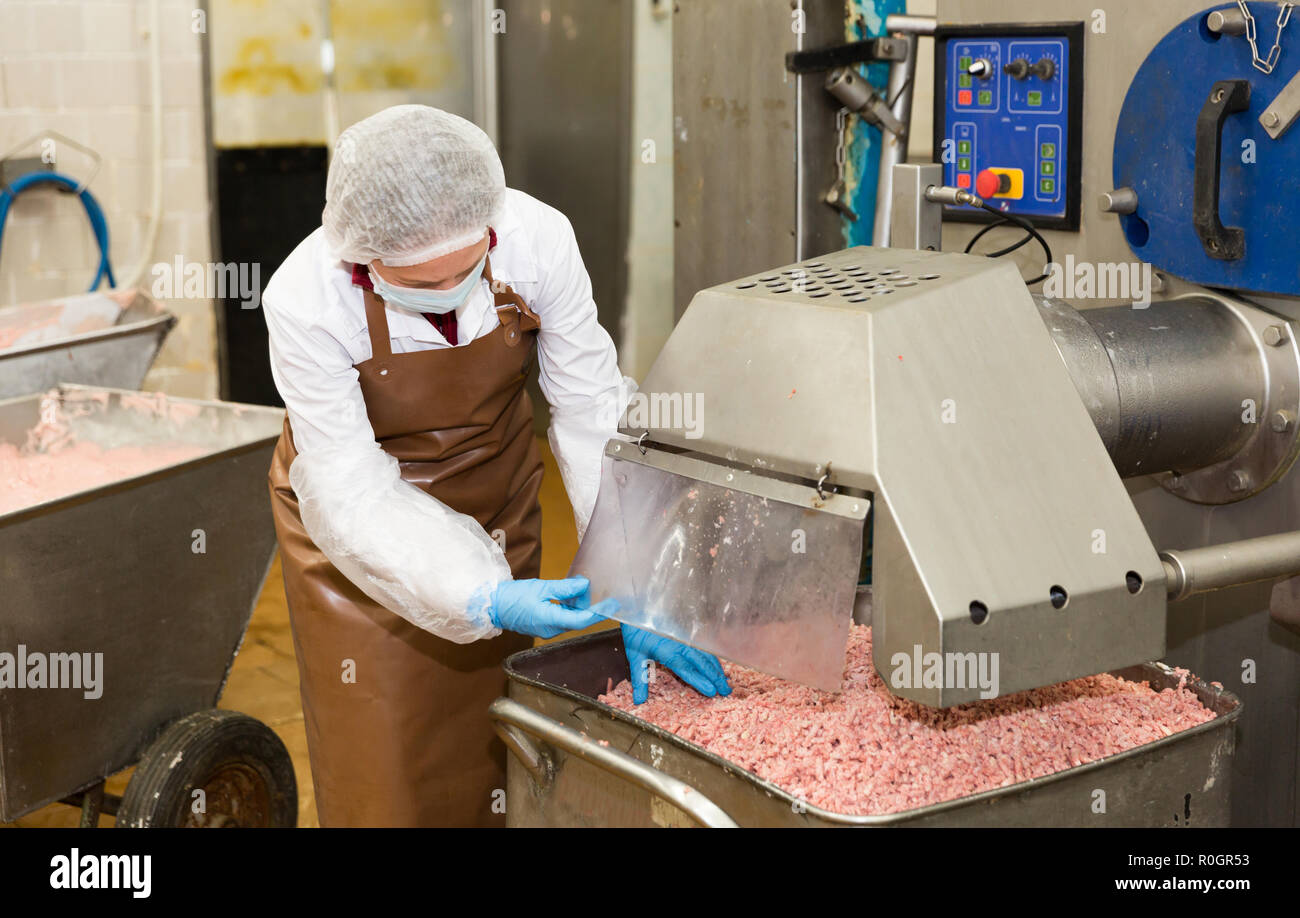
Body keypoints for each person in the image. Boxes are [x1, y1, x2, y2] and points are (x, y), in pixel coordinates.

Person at [261, 105, 730, 827]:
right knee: (386, 764)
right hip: (358, 537)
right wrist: (479, 595)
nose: (452, 287)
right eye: (422, 281)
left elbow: (588, 412)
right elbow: (350, 489)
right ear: (364, 259)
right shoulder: (305, 298)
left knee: (506, 741)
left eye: (470, 264)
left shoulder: (537, 238)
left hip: (496, 493)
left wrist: (641, 584)